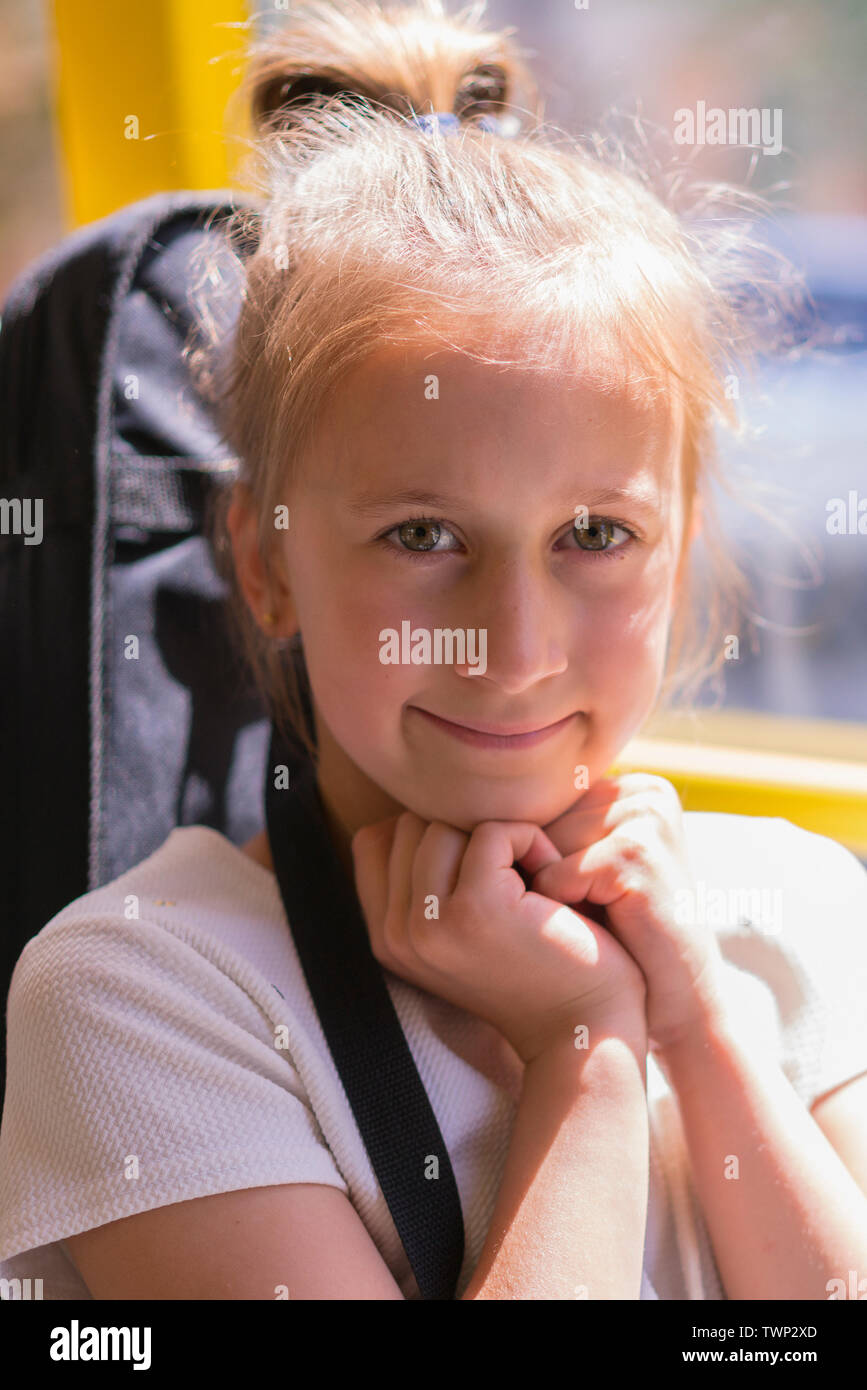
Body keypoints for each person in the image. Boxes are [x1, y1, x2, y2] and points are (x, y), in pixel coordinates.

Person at [2, 0, 867, 1301]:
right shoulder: (140, 994)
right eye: (421, 532)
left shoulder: (796, 906)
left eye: (595, 532)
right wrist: (585, 1048)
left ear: (681, 551)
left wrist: (699, 1020)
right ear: (269, 563)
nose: (513, 648)